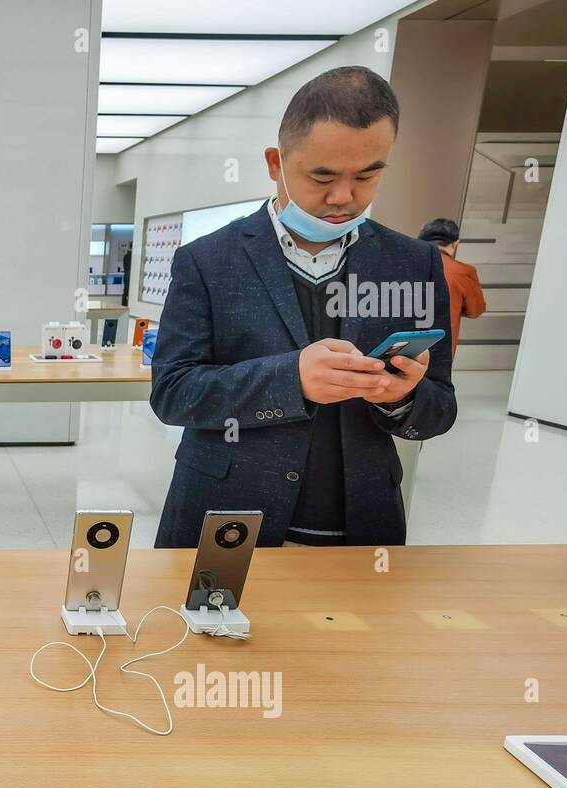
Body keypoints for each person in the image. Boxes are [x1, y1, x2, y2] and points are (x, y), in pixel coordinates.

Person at [150, 66, 456, 549]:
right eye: (322, 176)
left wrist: (398, 398)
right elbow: (172, 393)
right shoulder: (208, 260)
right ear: (275, 163)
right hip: (227, 514)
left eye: (368, 175)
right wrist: (290, 380)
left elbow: (439, 408)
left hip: (360, 524)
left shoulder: (413, 262)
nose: (343, 198)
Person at [418, 217, 485, 355]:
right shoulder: (464, 272)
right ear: (455, 244)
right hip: (441, 349)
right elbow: (475, 310)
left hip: (399, 346)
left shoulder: (402, 264)